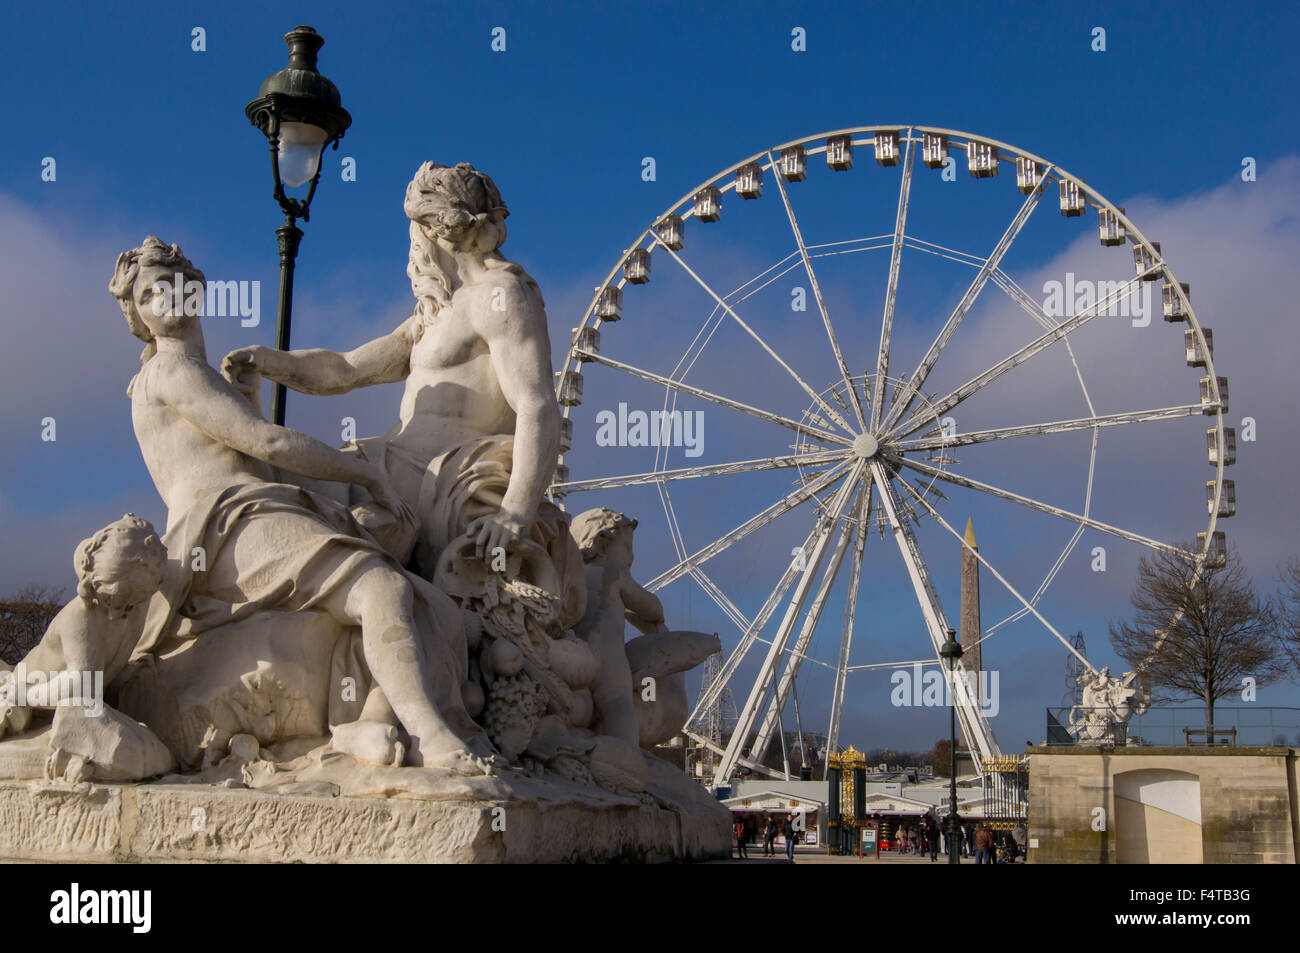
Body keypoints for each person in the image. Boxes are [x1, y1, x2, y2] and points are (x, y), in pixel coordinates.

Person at [109, 236, 490, 772]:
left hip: (256, 509)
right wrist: (365, 474)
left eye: (174, 286)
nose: (166, 298)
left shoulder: (193, 376)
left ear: (197, 292)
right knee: (380, 587)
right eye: (150, 295)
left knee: (423, 603)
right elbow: (264, 445)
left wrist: (251, 396)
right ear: (139, 318)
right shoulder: (172, 371)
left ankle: (370, 723)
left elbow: (256, 458)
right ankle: (429, 734)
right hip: (230, 523)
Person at [221, 162, 580, 612]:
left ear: (431, 233)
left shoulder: (500, 296)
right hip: (391, 468)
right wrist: (271, 361)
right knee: (269, 479)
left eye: (415, 231)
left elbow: (537, 407)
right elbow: (346, 370)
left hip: (442, 482)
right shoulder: (433, 317)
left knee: (300, 503)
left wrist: (515, 513)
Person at [0, 515, 166, 737]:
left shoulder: (142, 591)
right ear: (94, 583)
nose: (119, 612)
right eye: (112, 599)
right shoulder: (81, 615)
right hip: (25, 695)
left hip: (64, 702)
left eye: (133, 601)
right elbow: (83, 683)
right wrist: (22, 695)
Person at [569, 508, 665, 745]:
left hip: (574, 648)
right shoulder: (613, 574)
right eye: (627, 548)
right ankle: (625, 752)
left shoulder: (573, 577)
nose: (632, 558)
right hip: (606, 650)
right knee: (618, 704)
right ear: (602, 545)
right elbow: (653, 609)